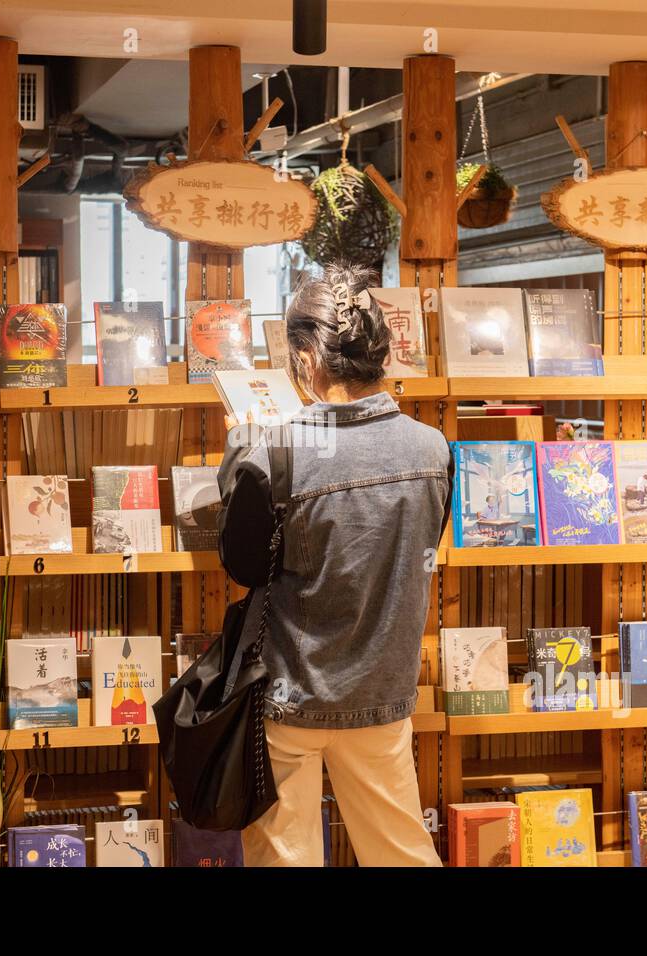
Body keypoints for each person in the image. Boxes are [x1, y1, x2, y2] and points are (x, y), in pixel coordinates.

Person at [217, 263, 451, 867]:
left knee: (285, 857)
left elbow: (245, 565)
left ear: (304, 360)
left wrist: (240, 454)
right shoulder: (433, 448)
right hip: (383, 693)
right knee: (401, 853)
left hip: (291, 697)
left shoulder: (276, 449)